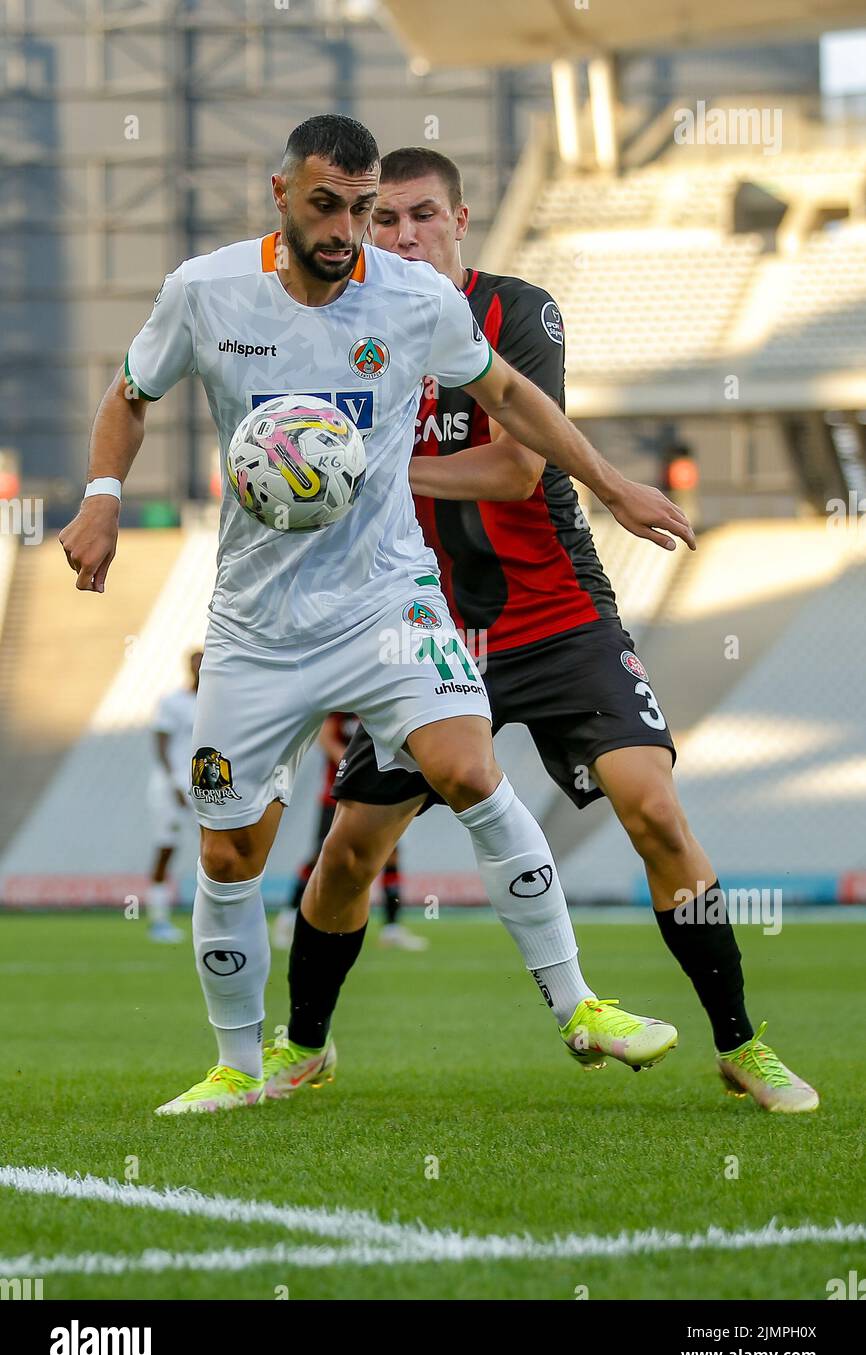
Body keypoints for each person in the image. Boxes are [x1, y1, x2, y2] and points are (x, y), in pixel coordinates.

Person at [59, 115, 693, 1117]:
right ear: (281, 194)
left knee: (467, 767)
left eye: (361, 208)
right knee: (231, 850)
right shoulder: (205, 290)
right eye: (327, 205)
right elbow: (130, 393)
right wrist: (101, 494)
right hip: (258, 624)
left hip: (388, 599)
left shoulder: (412, 297)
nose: (347, 228)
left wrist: (609, 483)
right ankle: (237, 1063)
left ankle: (578, 1005)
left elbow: (510, 393)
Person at [281, 146, 817, 1115]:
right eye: (384, 220)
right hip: (426, 634)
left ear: (461, 221)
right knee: (347, 853)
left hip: (556, 614)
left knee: (652, 807)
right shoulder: (344, 334)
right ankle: (303, 1046)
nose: (402, 236)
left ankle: (741, 1044)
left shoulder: (518, 313)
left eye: (421, 216)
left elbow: (510, 473)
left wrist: (362, 468)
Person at [272, 713, 425, 951]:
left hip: (377, 795)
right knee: (321, 856)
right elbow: (325, 739)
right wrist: (356, 764)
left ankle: (392, 928)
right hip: (337, 795)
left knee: (391, 854)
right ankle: (289, 916)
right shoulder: (342, 707)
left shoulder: (379, 706)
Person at [145, 649, 202, 943]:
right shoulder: (172, 702)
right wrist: (173, 783)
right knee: (167, 848)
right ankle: (158, 921)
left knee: (216, 850)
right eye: (197, 663)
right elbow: (162, 743)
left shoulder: (219, 702)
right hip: (171, 787)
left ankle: (215, 922)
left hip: (205, 785)